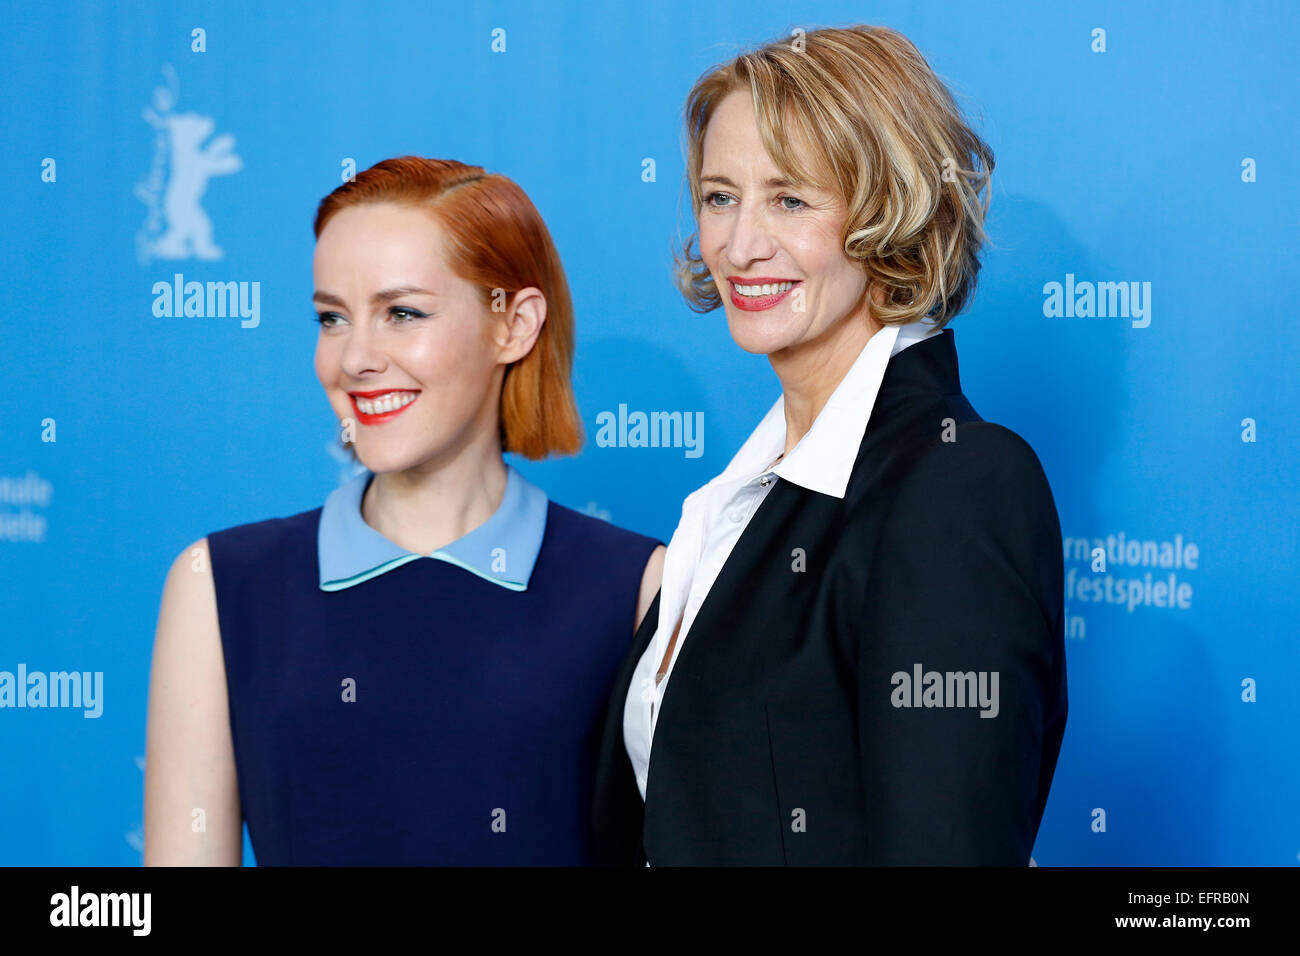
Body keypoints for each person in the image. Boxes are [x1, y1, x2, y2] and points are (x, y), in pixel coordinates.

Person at [593, 25, 1068, 865]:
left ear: (890, 208)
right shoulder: (735, 504)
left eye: (790, 198)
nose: (740, 245)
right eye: (718, 196)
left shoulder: (958, 484)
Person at [145, 156, 665, 865]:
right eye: (332, 317)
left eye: (402, 313)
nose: (355, 357)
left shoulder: (638, 588)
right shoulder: (221, 584)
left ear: (514, 325)